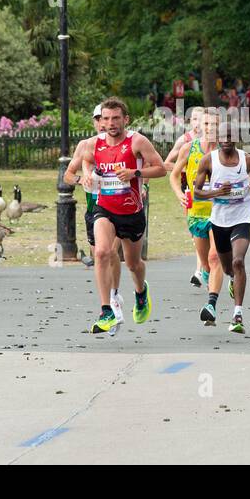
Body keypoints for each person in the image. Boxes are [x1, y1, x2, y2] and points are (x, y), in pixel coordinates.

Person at [77, 98, 166, 335]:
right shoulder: (93, 144)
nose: (110, 123)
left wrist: (134, 172)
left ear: (125, 119)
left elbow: (161, 168)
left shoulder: (137, 141)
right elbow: (86, 161)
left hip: (132, 211)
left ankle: (140, 293)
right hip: (104, 208)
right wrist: (86, 174)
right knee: (102, 252)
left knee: (134, 264)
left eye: (116, 118)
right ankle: (106, 310)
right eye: (106, 118)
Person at [191, 121, 250, 333]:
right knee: (227, 266)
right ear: (217, 137)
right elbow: (197, 192)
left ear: (237, 137)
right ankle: (232, 278)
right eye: (222, 136)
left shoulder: (248, 160)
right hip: (219, 219)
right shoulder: (208, 161)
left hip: (242, 215)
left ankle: (237, 314)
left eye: (230, 135)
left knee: (238, 261)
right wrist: (216, 193)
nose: (226, 139)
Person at [168, 109, 225, 303]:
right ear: (200, 125)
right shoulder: (189, 149)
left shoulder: (225, 150)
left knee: (214, 256)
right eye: (207, 124)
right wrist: (180, 196)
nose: (210, 128)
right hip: (197, 213)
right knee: (207, 264)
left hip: (220, 211)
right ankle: (213, 278)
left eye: (215, 125)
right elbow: (174, 175)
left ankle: (211, 303)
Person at [64, 104, 120, 295]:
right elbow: (68, 175)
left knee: (110, 252)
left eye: (105, 118)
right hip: (94, 207)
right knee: (100, 255)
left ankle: (112, 297)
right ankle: (109, 297)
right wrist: (82, 179)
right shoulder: (85, 145)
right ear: (95, 122)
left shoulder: (125, 143)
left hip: (119, 206)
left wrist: (142, 186)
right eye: (98, 119)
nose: (103, 123)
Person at [164, 106, 211, 286]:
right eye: (195, 119)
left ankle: (201, 270)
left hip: (212, 194)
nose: (198, 123)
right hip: (190, 190)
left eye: (202, 120)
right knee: (197, 232)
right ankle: (201, 268)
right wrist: (188, 167)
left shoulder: (216, 142)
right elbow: (167, 163)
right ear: (190, 122)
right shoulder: (185, 141)